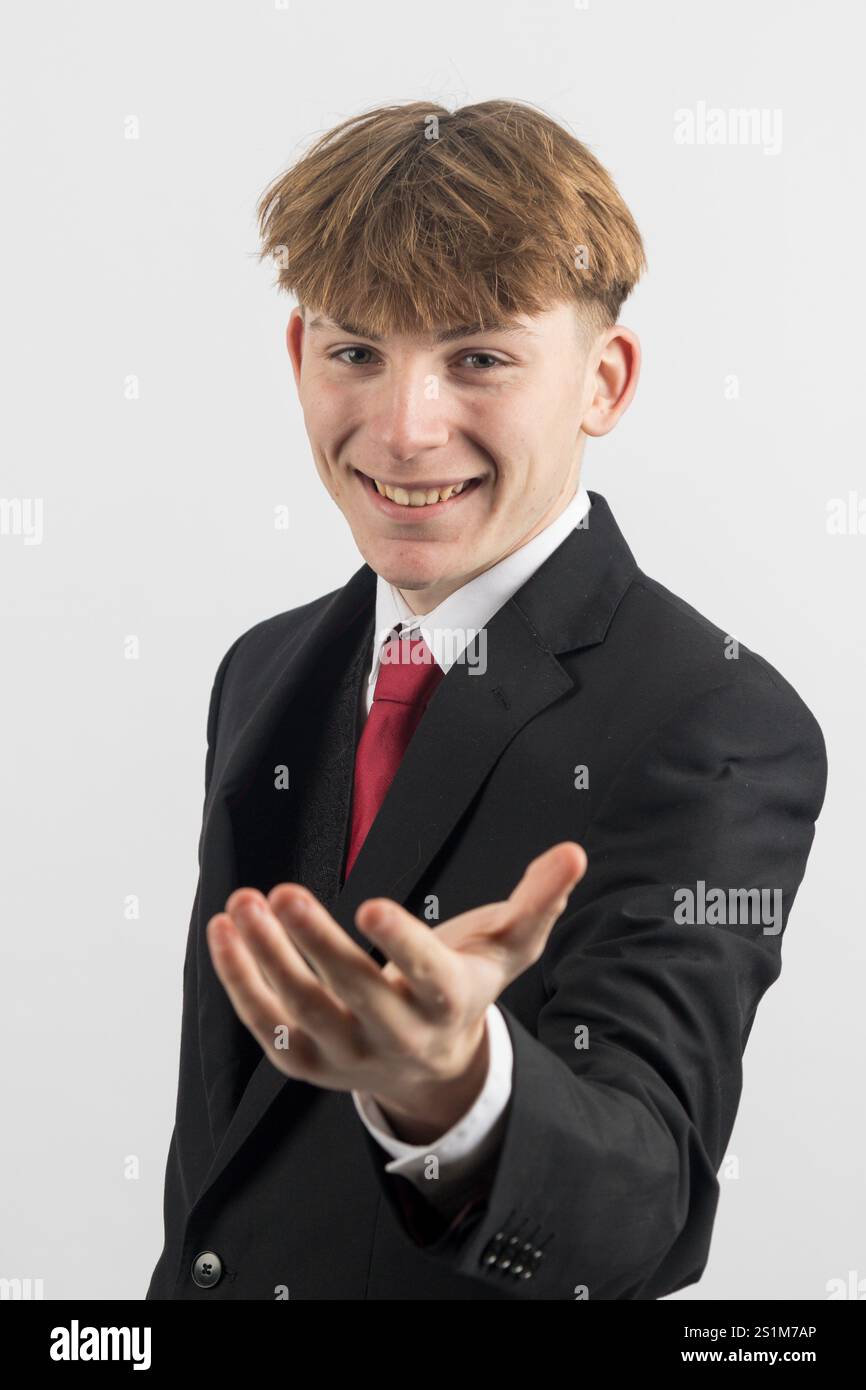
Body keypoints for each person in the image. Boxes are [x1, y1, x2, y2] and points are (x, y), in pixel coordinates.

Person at [146, 99, 827, 1301]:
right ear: (299, 354)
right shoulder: (264, 667)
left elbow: (643, 1209)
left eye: (477, 357)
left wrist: (454, 1086)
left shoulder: (712, 721)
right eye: (356, 351)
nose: (405, 430)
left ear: (601, 381)